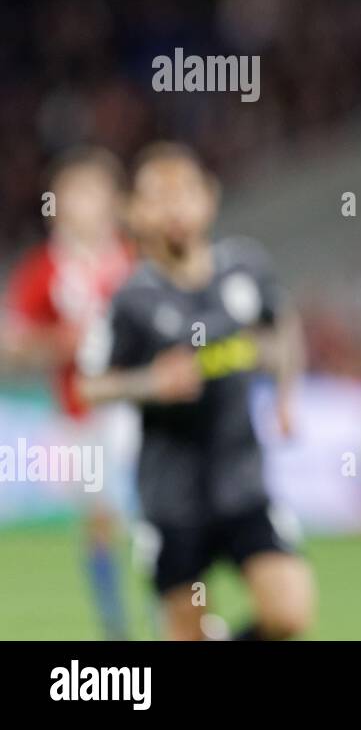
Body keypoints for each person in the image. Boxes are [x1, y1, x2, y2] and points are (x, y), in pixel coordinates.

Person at [76, 142, 315, 640]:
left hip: (242, 483)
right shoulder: (131, 298)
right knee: (185, 633)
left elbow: (283, 324)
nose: (173, 207)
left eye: (184, 191)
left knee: (289, 611)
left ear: (209, 198)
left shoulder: (244, 267)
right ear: (134, 213)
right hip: (171, 497)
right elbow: (90, 383)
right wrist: (149, 382)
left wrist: (288, 395)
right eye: (157, 197)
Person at [2, 147, 135, 639]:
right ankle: (115, 623)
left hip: (140, 410)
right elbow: (12, 346)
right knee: (102, 522)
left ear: (115, 202)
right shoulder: (45, 269)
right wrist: (56, 344)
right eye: (72, 194)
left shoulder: (135, 260)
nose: (82, 204)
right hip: (82, 417)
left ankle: (172, 609)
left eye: (93, 193)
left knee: (150, 516)